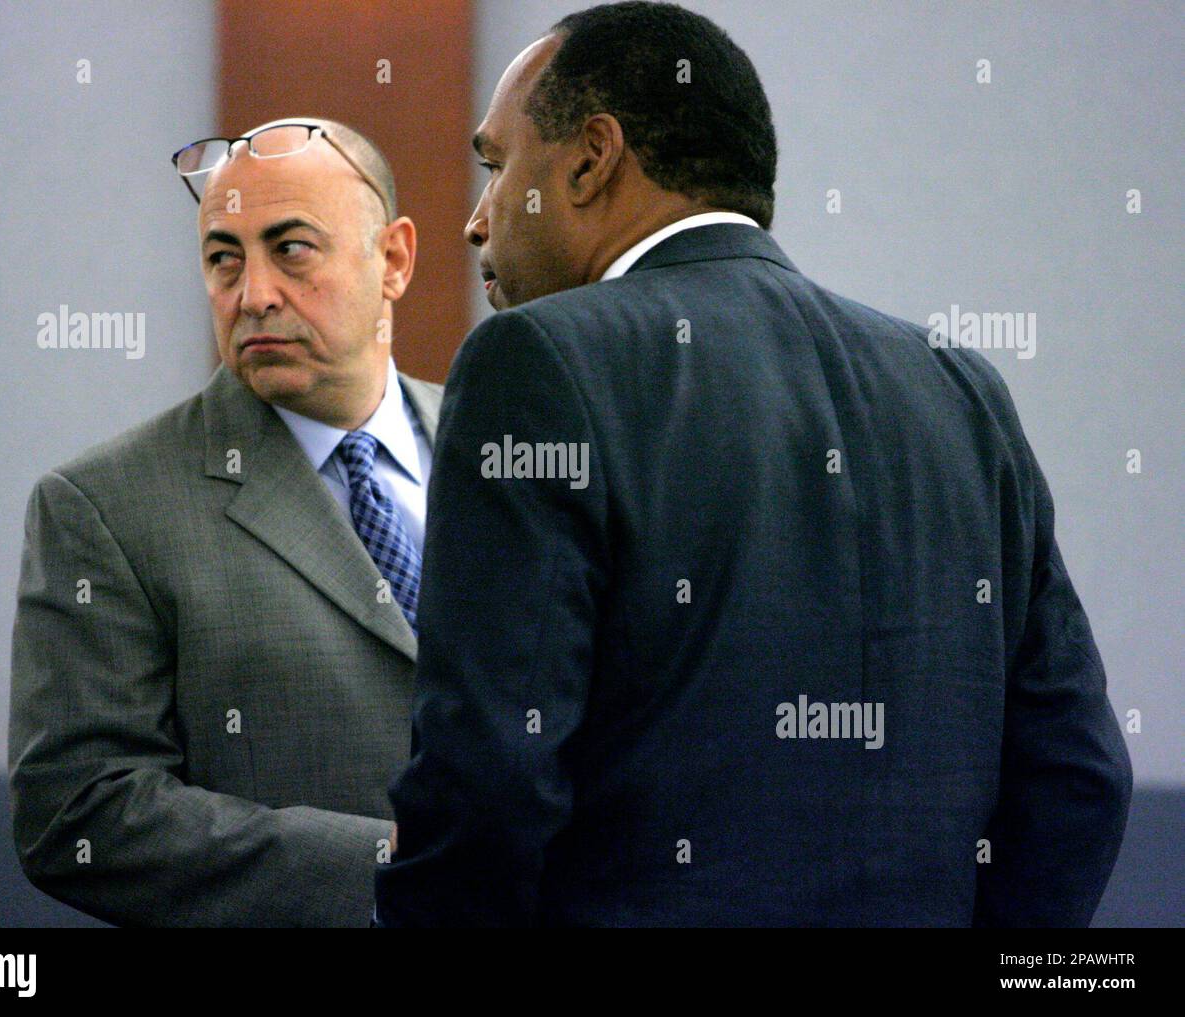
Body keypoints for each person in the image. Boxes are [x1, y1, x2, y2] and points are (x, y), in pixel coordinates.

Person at [375, 2, 1132, 926]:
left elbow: (488, 782)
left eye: (495, 166)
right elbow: (1078, 775)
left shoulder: (536, 363)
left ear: (590, 158)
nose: (476, 222)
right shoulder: (958, 386)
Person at [9, 117, 442, 926]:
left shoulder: (499, 452)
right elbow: (75, 815)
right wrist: (396, 865)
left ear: (394, 259)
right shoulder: (105, 504)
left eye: (292, 248)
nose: (253, 294)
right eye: (223, 258)